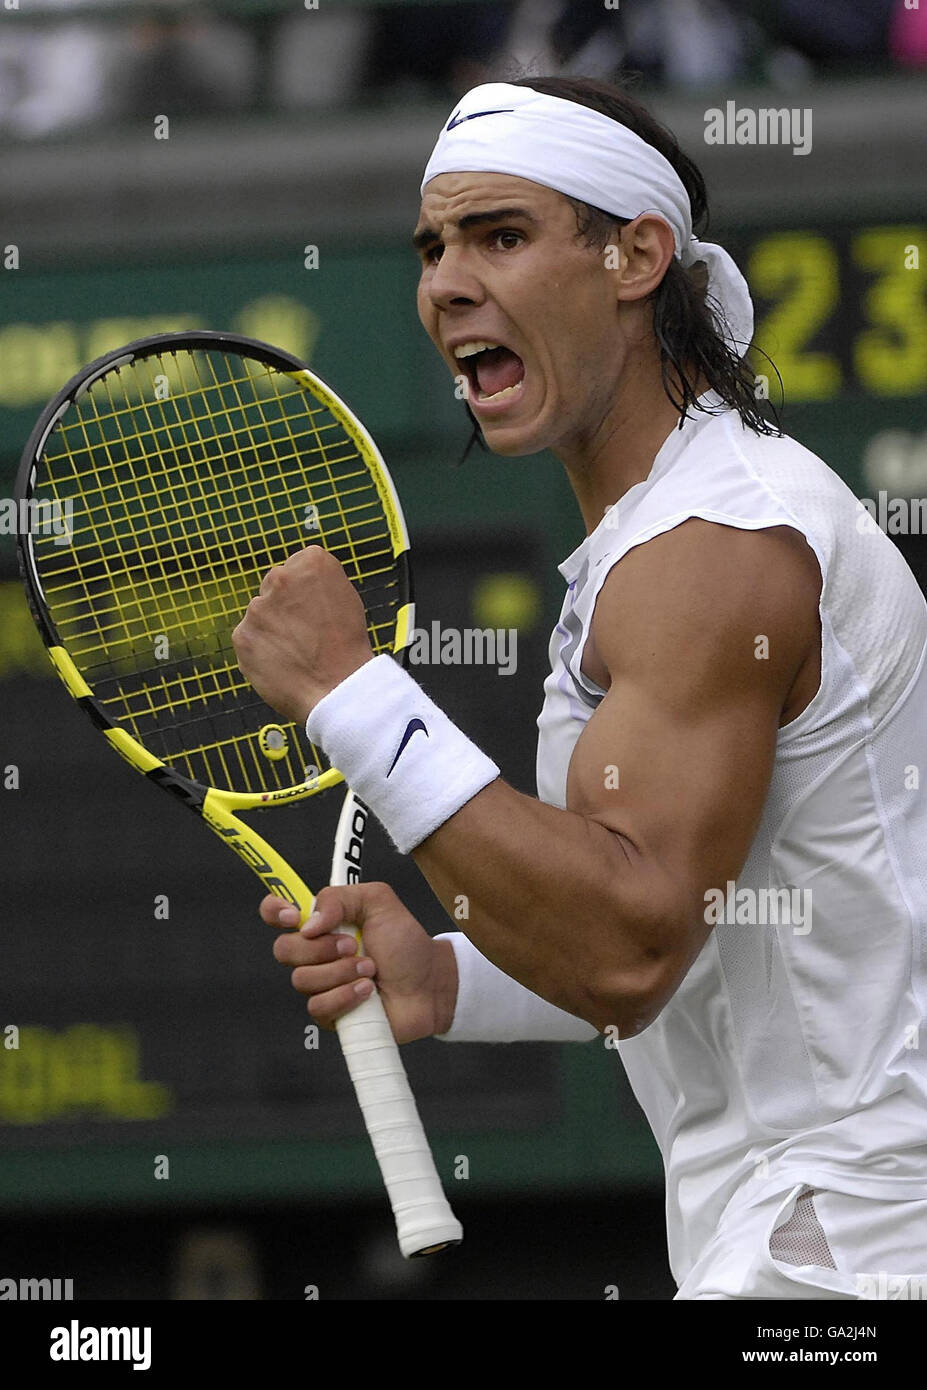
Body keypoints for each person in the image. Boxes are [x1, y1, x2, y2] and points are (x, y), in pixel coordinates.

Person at [232, 77, 927, 1300]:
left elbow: (631, 944)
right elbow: (722, 929)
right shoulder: (665, 535)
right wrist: (457, 979)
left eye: (501, 235)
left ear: (637, 255)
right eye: (433, 247)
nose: (447, 281)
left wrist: (350, 692)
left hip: (849, 1248)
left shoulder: (716, 546)